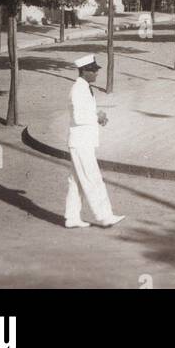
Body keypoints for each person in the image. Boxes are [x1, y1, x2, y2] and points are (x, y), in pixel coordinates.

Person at [64, 54, 125, 230]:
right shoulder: (78, 89)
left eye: (96, 70)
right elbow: (78, 117)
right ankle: (105, 216)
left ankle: (72, 217)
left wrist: (98, 116)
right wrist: (96, 116)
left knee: (76, 181)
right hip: (80, 142)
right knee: (93, 178)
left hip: (83, 141)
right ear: (83, 71)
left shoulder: (85, 88)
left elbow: (85, 111)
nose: (96, 73)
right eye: (92, 70)